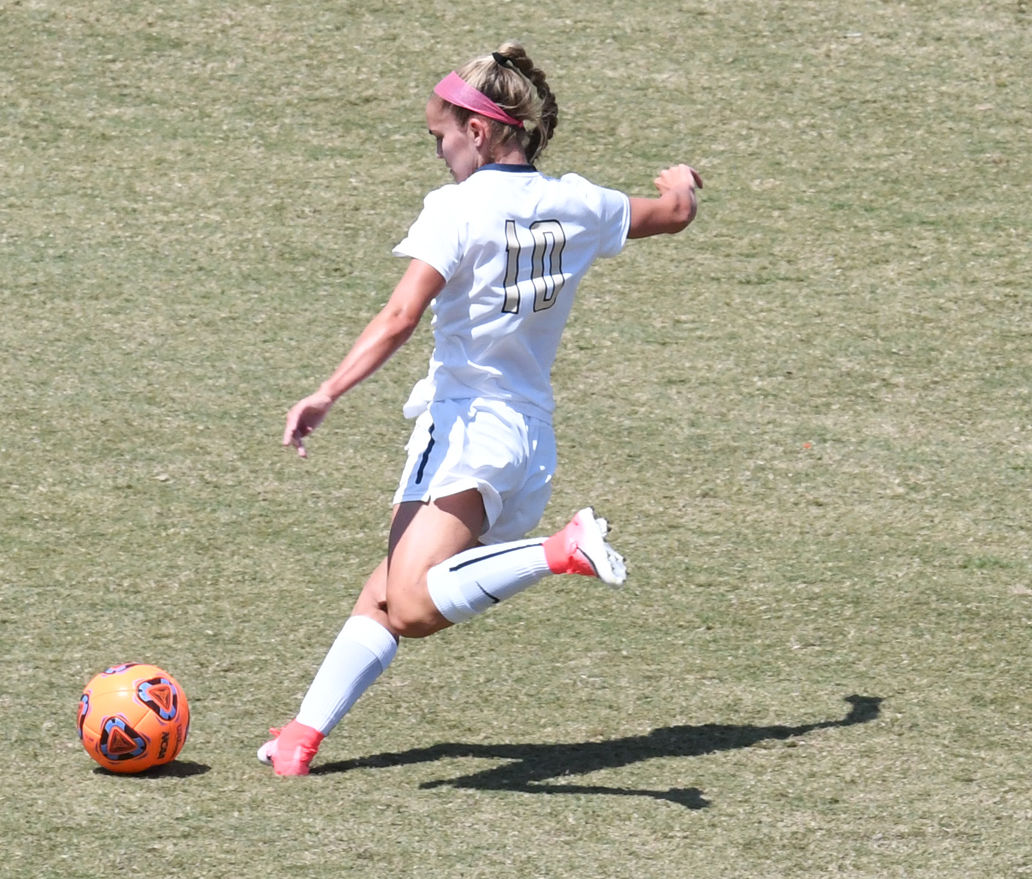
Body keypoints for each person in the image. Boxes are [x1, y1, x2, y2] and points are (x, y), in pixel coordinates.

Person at [259, 42, 702, 776]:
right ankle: (300, 741)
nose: (436, 150)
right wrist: (681, 181)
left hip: (466, 430)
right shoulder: (581, 203)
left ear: (479, 129)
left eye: (439, 134)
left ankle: (561, 551)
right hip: (528, 439)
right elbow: (676, 212)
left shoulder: (458, 210)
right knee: (388, 590)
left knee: (411, 603)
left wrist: (327, 391)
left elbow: (402, 314)